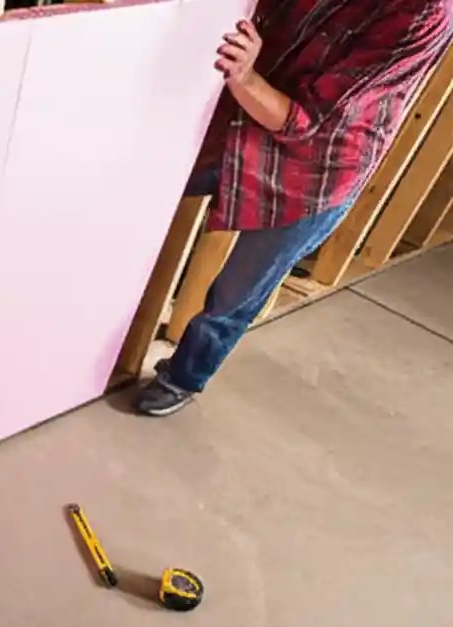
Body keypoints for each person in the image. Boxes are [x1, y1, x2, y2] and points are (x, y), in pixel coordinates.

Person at [135, 0, 453, 417]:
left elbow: (313, 123)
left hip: (315, 168)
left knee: (234, 296)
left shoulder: (424, 11)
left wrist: (245, 76)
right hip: (241, 111)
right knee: (133, 194)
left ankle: (183, 377)